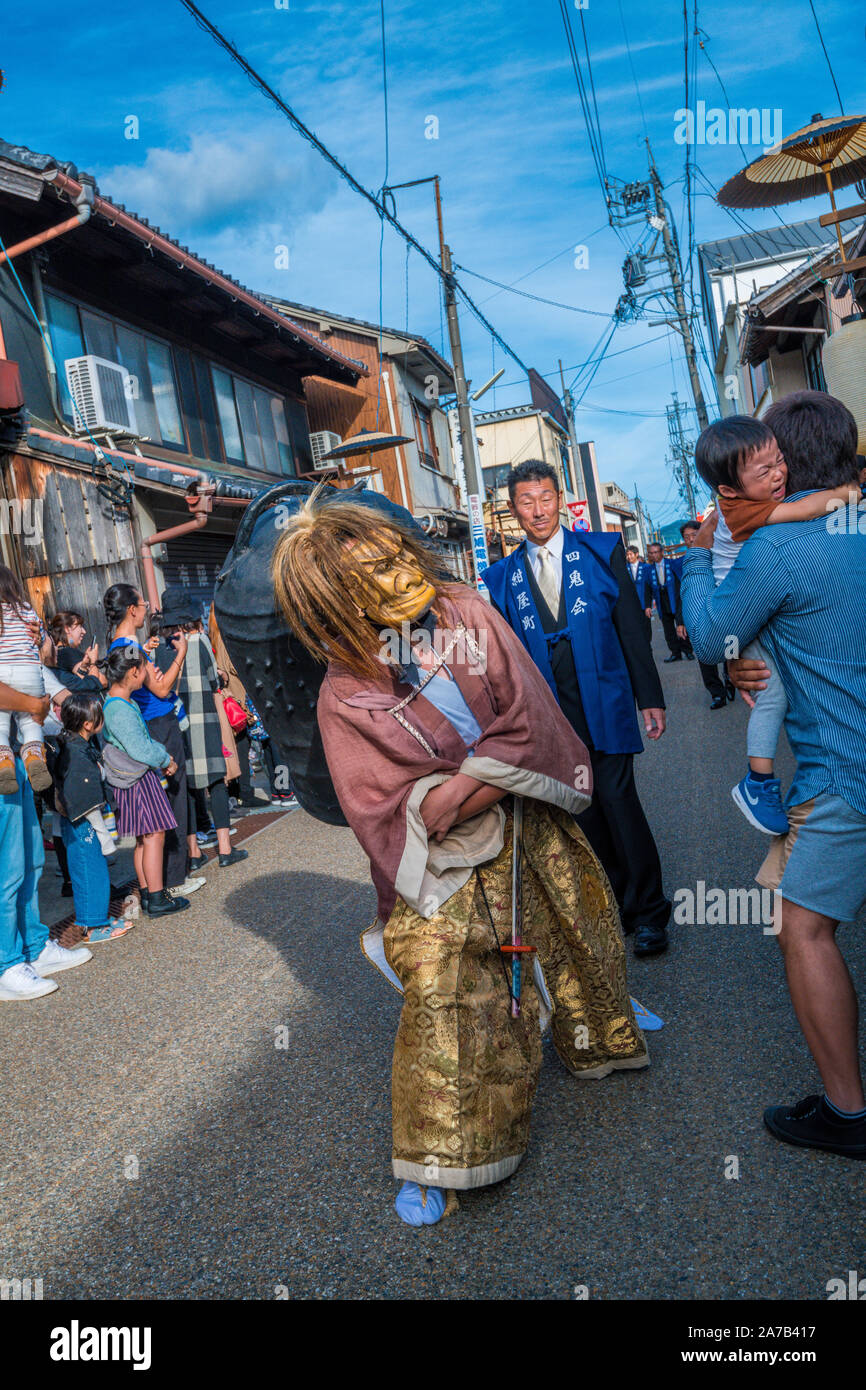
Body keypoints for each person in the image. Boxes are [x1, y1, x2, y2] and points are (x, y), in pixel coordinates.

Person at [272, 495, 651, 1224]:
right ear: (331, 601)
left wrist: (468, 783)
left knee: (578, 919)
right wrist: (454, 796)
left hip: (525, 812)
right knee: (446, 991)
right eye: (362, 577)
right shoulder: (343, 688)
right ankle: (442, 1151)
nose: (389, 580)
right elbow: (379, 801)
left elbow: (527, 711)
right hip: (443, 861)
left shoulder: (463, 611)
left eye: (389, 559)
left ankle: (601, 1025)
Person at [681, 389, 866, 1159]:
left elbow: (709, 637)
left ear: (784, 464)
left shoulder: (775, 550)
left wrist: (695, 556)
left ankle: (849, 1114)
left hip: (844, 772)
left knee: (804, 930)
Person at [482, 460, 672, 959]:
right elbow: (503, 660)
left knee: (619, 801)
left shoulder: (599, 551)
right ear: (512, 509)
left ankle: (650, 912)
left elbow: (632, 630)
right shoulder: (503, 576)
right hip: (551, 714)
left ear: (560, 499)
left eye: (545, 498)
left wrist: (649, 697)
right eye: (526, 501)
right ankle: (612, 905)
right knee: (581, 813)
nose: (538, 510)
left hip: (604, 700)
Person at [692, 417, 851, 835]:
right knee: (773, 693)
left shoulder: (751, 508)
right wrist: (846, 494)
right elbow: (805, 507)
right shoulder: (751, 516)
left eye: (780, 460)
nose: (778, 472)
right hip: (738, 609)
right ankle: (758, 781)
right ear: (728, 489)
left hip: (743, 611)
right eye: (765, 471)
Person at [0, 677, 93, 1000]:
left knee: (28, 863)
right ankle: (6, 963)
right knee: (6, 870)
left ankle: (32, 947)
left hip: (15, 753)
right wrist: (32, 704)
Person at [105, 584, 198, 898]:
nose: (146, 608)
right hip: (158, 722)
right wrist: (180, 656)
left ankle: (159, 883)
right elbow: (160, 689)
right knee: (169, 804)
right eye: (143, 603)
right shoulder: (129, 646)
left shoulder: (123, 644)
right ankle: (172, 878)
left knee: (155, 818)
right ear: (132, 610)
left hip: (150, 723)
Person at [101, 645, 190, 918]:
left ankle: (149, 893)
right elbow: (140, 747)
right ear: (133, 672)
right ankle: (156, 895)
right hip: (138, 780)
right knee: (154, 836)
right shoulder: (120, 708)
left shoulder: (118, 703)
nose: (149, 671)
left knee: (144, 839)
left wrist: (162, 756)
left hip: (131, 780)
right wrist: (166, 759)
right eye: (144, 667)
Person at [174, 596, 249, 871]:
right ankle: (226, 850)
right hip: (205, 717)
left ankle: (194, 853)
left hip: (177, 722)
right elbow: (212, 679)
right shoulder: (199, 641)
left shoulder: (162, 645)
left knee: (189, 786)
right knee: (217, 781)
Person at [54, 691, 133, 944]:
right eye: (98, 716)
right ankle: (92, 926)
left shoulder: (76, 744)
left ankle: (99, 918)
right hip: (84, 824)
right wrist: (105, 837)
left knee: (95, 870)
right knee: (88, 872)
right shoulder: (76, 753)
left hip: (83, 823)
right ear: (88, 724)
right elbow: (85, 801)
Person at [0, 565, 53, 794]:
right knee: (31, 723)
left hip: (3, 672)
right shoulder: (27, 610)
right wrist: (40, 637)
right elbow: (40, 639)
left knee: (0, 724)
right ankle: (33, 756)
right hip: (31, 673)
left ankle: (4, 761)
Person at [676, 522, 732, 710]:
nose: (691, 539)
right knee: (703, 653)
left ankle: (730, 678)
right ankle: (717, 693)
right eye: (687, 537)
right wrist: (681, 622)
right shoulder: (682, 562)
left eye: (694, 534)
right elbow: (680, 594)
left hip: (723, 609)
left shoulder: (720, 553)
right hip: (698, 615)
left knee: (731, 648)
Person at [646, 543, 693, 663]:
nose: (654, 555)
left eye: (656, 552)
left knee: (681, 626)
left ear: (662, 552)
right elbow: (648, 589)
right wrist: (648, 605)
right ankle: (675, 653)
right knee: (668, 630)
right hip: (662, 602)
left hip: (675, 599)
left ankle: (687, 651)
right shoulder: (649, 569)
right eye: (651, 553)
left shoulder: (672, 564)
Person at [625, 545, 652, 645]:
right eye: (627, 555)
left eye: (631, 554)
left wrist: (649, 604)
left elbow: (649, 587)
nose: (629, 557)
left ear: (636, 554)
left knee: (646, 626)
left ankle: (648, 644)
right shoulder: (624, 569)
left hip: (644, 603)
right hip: (631, 605)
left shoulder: (646, 567)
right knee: (635, 626)